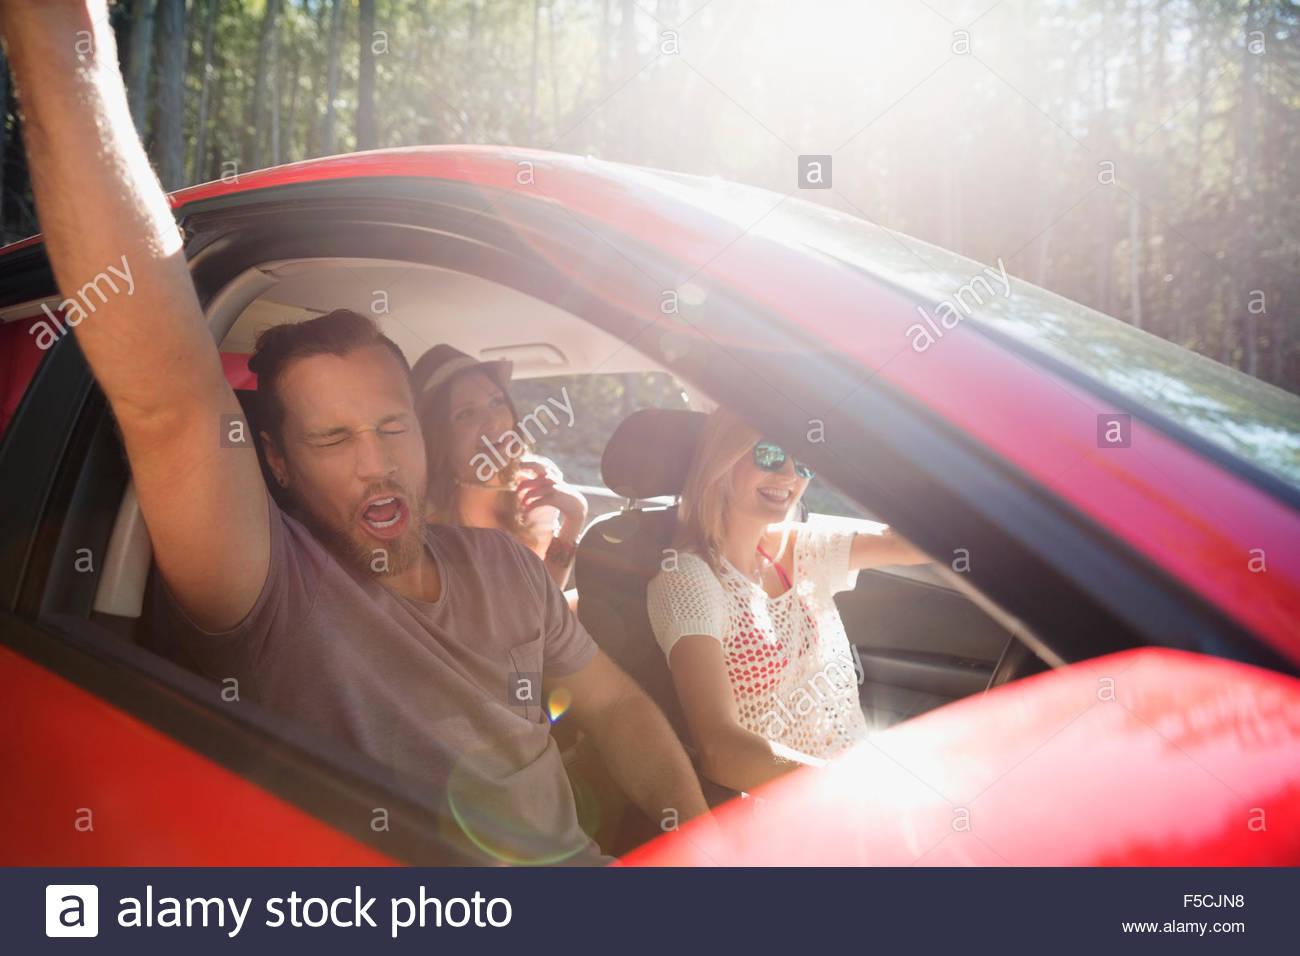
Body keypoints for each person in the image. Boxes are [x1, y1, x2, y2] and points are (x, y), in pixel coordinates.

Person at [0, 0, 712, 864]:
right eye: (333, 440)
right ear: (279, 462)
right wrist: (59, 35)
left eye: (392, 426)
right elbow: (171, 406)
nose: (377, 465)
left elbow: (615, 708)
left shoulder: (507, 570)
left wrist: (696, 848)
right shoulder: (270, 591)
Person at [646, 407, 931, 794]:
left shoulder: (795, 548)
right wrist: (853, 793)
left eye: (805, 463)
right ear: (722, 460)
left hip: (852, 768)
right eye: (770, 454)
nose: (790, 475)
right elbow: (720, 748)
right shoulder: (688, 579)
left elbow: (910, 545)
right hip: (794, 801)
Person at [411, 344, 586, 602]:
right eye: (466, 413)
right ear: (437, 435)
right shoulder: (418, 510)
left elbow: (545, 602)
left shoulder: (533, 484)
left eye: (496, 401)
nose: (493, 421)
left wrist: (574, 517)